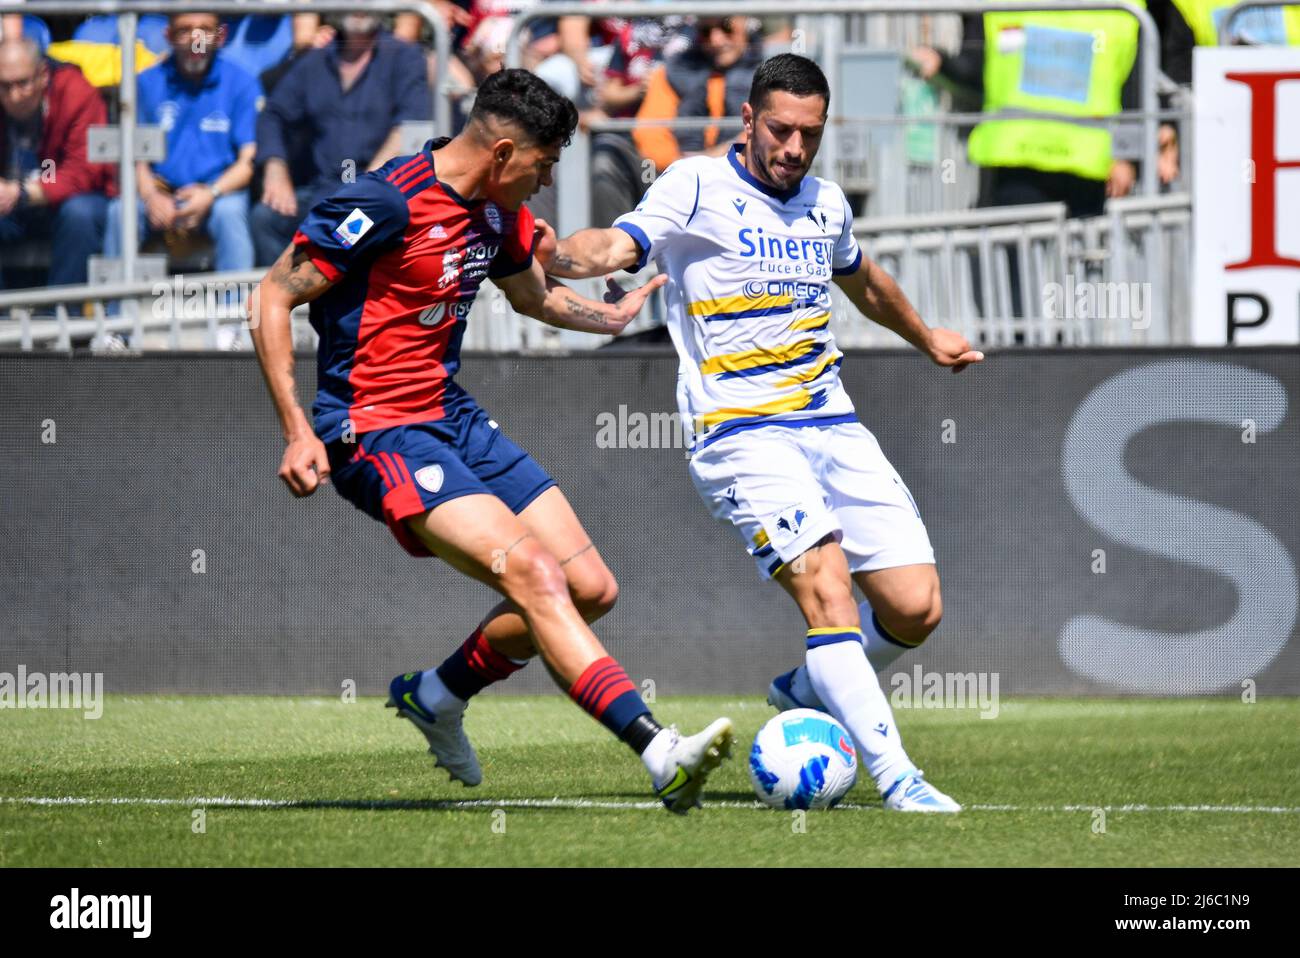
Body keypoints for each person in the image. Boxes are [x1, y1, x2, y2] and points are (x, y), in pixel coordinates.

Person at [247, 68, 734, 813]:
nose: (546, 183)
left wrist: (608, 318)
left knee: (591, 588)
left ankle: (437, 694)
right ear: (504, 153)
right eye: (544, 164)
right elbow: (273, 295)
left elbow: (534, 294)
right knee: (535, 575)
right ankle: (660, 752)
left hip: (455, 418)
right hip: (376, 429)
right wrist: (295, 431)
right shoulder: (384, 201)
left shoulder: (494, 211)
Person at [539, 54, 984, 812]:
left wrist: (925, 336)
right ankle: (898, 778)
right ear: (748, 121)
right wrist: (553, 254)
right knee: (827, 590)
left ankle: (807, 686)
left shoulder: (826, 204)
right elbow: (616, 247)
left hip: (832, 421)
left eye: (810, 134)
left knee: (915, 607)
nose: (794, 148)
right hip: (741, 432)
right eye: (781, 130)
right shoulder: (695, 185)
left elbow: (865, 280)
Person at [250, 11, 432, 266]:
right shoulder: (314, 62)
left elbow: (413, 126)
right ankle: (283, 302)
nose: (358, 6)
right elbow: (273, 114)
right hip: (326, 190)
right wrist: (275, 169)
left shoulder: (405, 56)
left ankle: (334, 297)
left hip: (385, 190)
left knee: (352, 230)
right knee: (266, 218)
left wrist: (370, 186)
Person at [103, 11, 261, 275]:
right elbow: (133, 156)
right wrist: (151, 195)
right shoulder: (145, 83)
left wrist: (210, 194)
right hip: (158, 190)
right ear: (169, 36)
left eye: (204, 29)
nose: (195, 38)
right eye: (184, 30)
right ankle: (116, 310)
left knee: (230, 214)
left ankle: (235, 312)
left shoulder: (242, 83)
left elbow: (249, 160)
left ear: (221, 36)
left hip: (219, 192)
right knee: (121, 212)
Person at [0, 38, 111, 289]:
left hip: (67, 201)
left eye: (23, 83)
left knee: (80, 213)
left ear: (42, 75)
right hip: (14, 206)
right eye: (4, 86)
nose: (14, 96)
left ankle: (63, 318)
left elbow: (84, 171)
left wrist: (22, 193)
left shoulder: (75, 92)